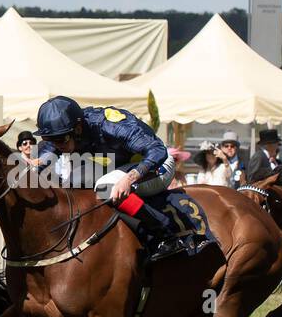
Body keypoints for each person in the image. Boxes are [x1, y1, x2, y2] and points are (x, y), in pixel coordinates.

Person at [34, 96, 184, 260]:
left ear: (77, 128)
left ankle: (164, 234)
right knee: (73, 183)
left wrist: (129, 179)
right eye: (49, 139)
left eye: (60, 139)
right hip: (120, 167)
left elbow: (157, 150)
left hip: (156, 166)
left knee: (105, 186)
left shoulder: (111, 125)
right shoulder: (64, 132)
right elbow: (40, 162)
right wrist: (29, 169)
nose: (56, 145)